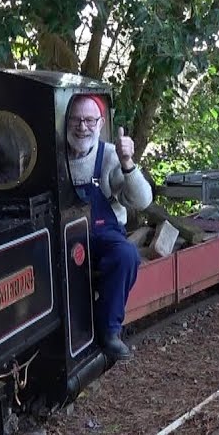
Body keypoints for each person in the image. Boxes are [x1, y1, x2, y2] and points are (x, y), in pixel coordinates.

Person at [65, 94, 152, 361]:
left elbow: (142, 200)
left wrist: (128, 163)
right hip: (64, 234)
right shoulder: (54, 156)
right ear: (66, 123)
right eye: (76, 120)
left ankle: (109, 332)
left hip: (103, 234)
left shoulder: (111, 156)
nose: (82, 127)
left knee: (126, 255)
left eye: (89, 120)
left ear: (100, 123)